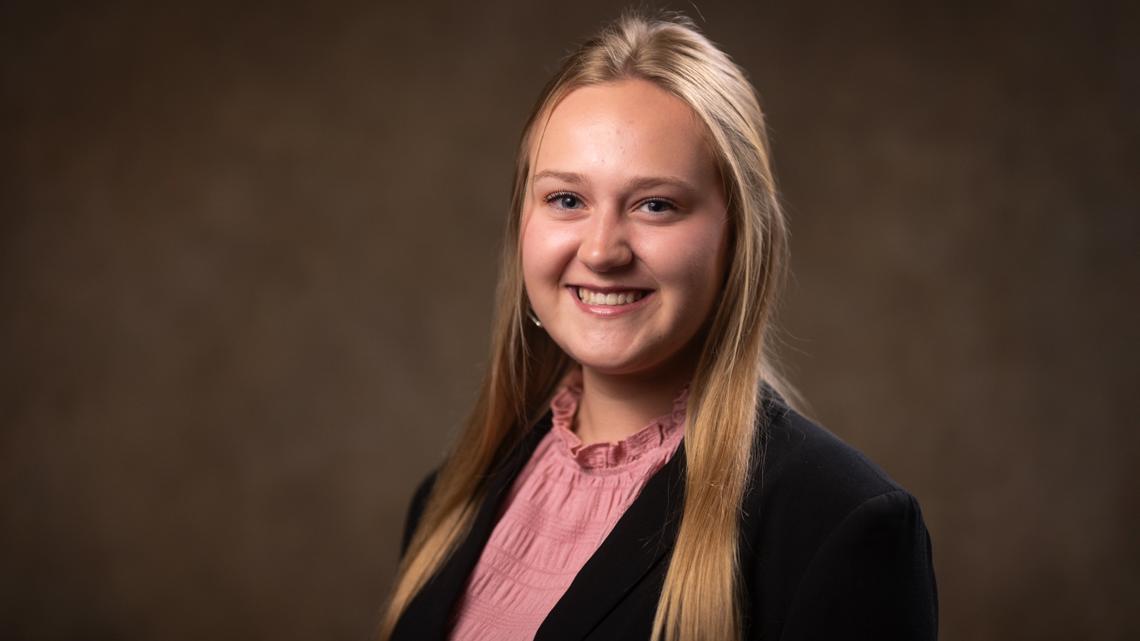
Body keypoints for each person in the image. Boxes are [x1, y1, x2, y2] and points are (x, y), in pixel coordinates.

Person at [379, 11, 937, 641]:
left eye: (656, 204)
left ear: (739, 239)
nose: (601, 251)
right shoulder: (448, 504)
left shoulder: (840, 525)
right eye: (566, 199)